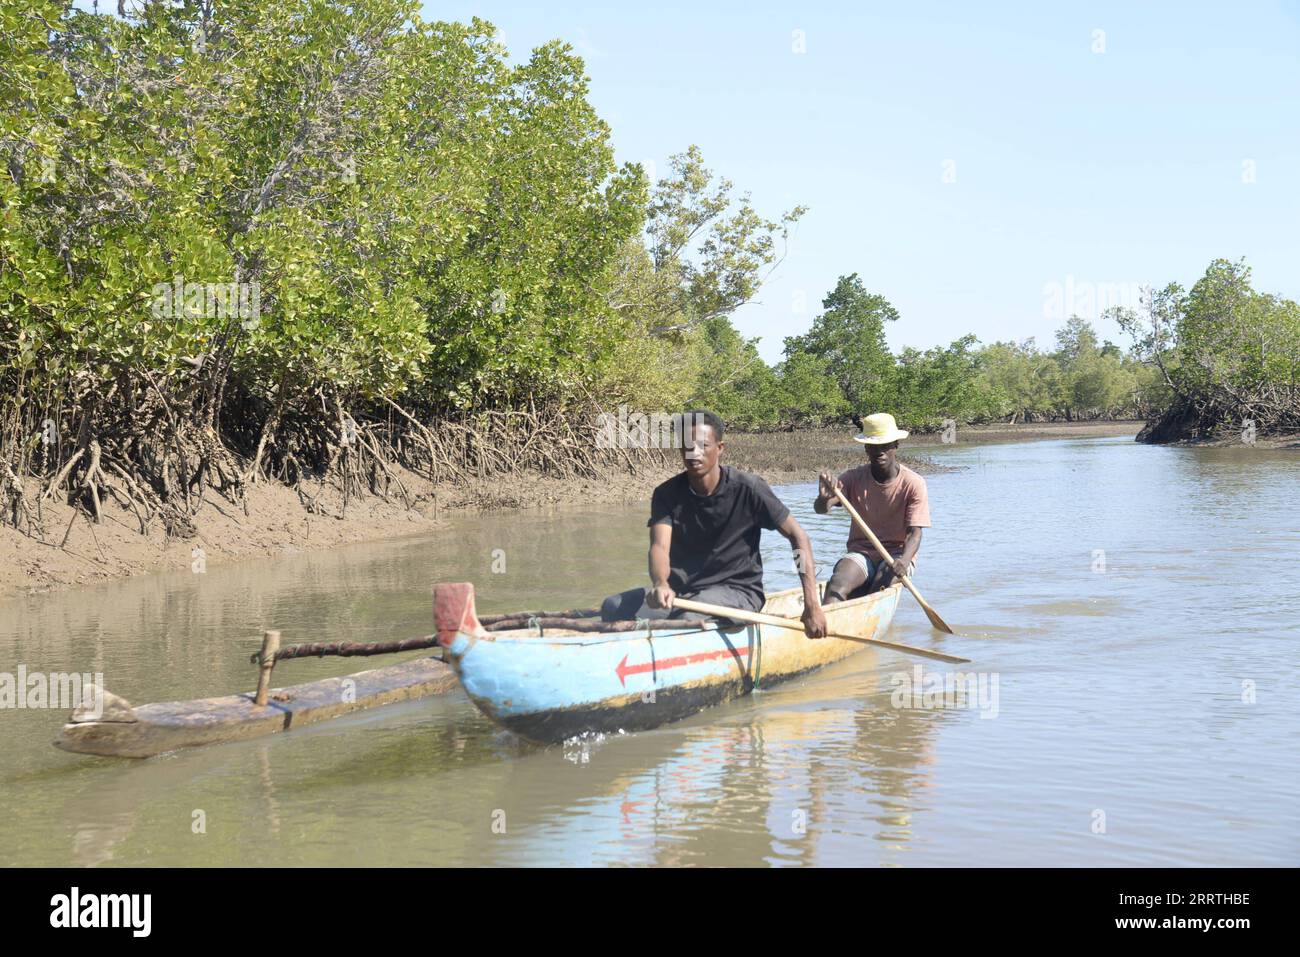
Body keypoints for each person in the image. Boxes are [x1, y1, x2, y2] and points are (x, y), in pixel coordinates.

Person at [601, 410, 828, 638]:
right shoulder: (666, 494)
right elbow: (659, 546)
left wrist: (812, 605)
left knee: (686, 618)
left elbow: (798, 537)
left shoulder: (749, 489)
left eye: (703, 446)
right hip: (681, 593)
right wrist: (660, 583)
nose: (694, 453)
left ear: (720, 448)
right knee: (612, 607)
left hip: (738, 593)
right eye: (687, 447)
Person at [814, 412, 931, 603]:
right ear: (866, 448)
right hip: (862, 552)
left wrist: (904, 560)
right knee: (836, 584)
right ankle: (829, 626)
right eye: (874, 446)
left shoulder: (914, 483)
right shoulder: (853, 478)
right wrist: (822, 498)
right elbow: (821, 508)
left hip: (896, 555)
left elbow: (915, 534)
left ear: (896, 445)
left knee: (881, 584)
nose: (880, 452)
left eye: (885, 446)